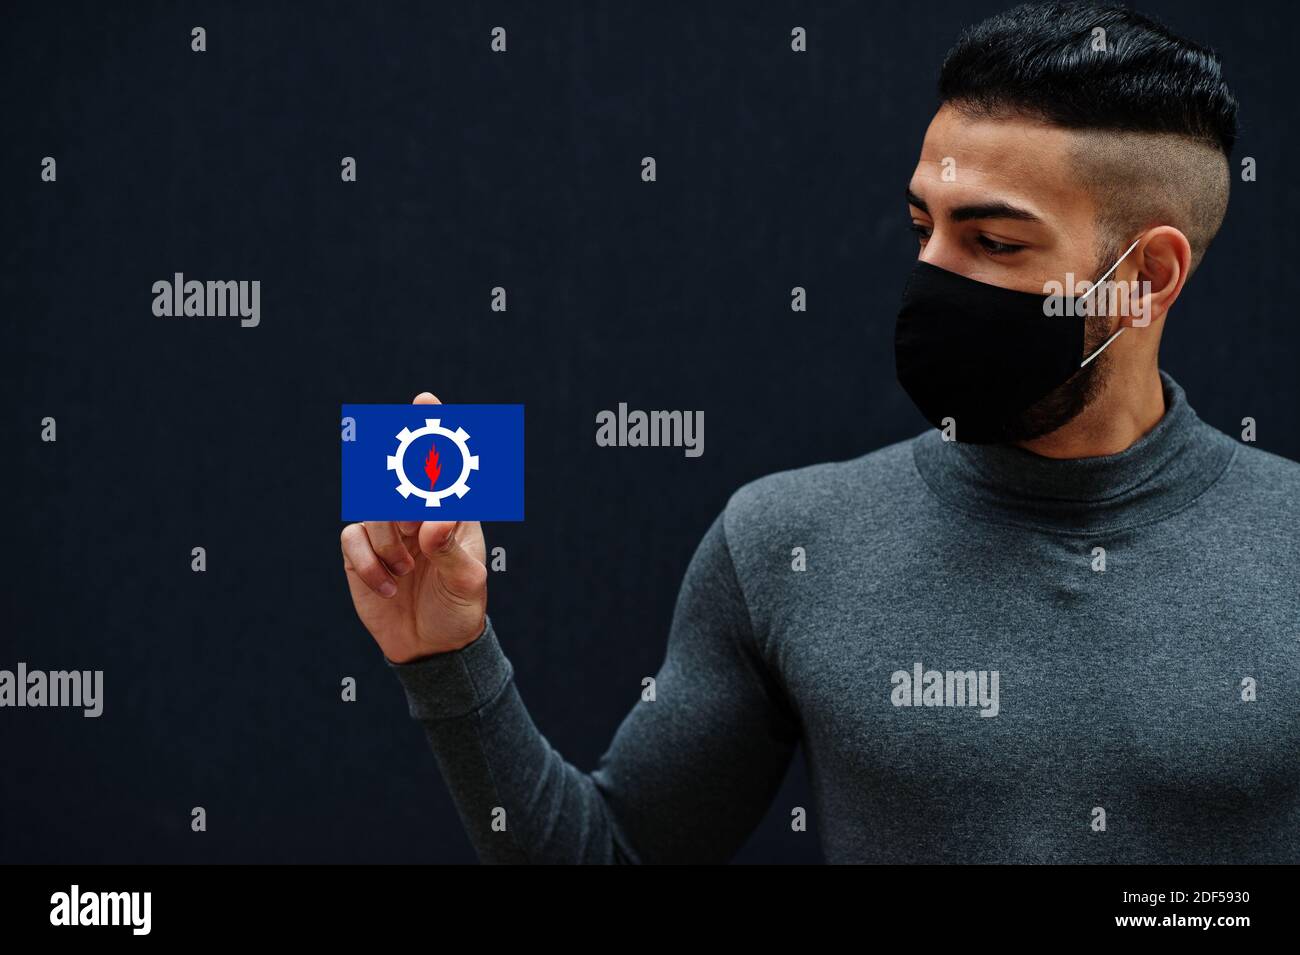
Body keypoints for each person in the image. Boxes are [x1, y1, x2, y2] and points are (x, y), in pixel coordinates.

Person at [341, 1, 1300, 863]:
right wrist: (447, 655)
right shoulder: (788, 540)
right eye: (922, 224)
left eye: (993, 242)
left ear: (1149, 276)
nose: (933, 272)